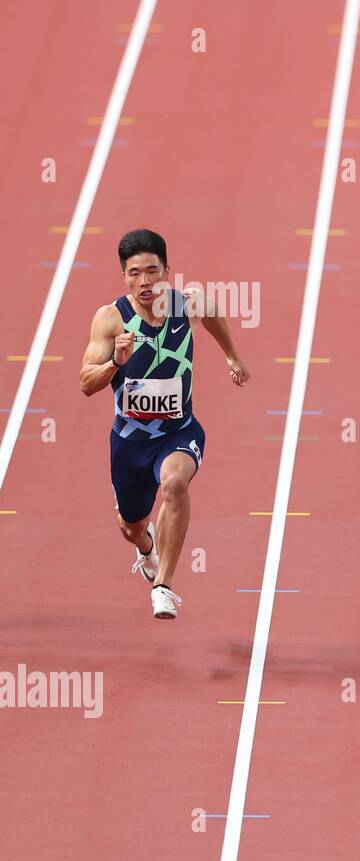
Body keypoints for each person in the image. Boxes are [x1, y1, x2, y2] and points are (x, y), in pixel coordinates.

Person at [79, 229, 250, 618]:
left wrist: (232, 357)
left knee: (174, 484)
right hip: (129, 442)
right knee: (131, 526)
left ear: (167, 270)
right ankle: (146, 548)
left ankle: (163, 586)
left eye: (153, 271)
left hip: (179, 431)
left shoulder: (186, 304)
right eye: (135, 273)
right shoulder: (110, 319)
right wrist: (116, 363)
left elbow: (212, 314)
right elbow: (86, 383)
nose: (145, 282)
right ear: (124, 275)